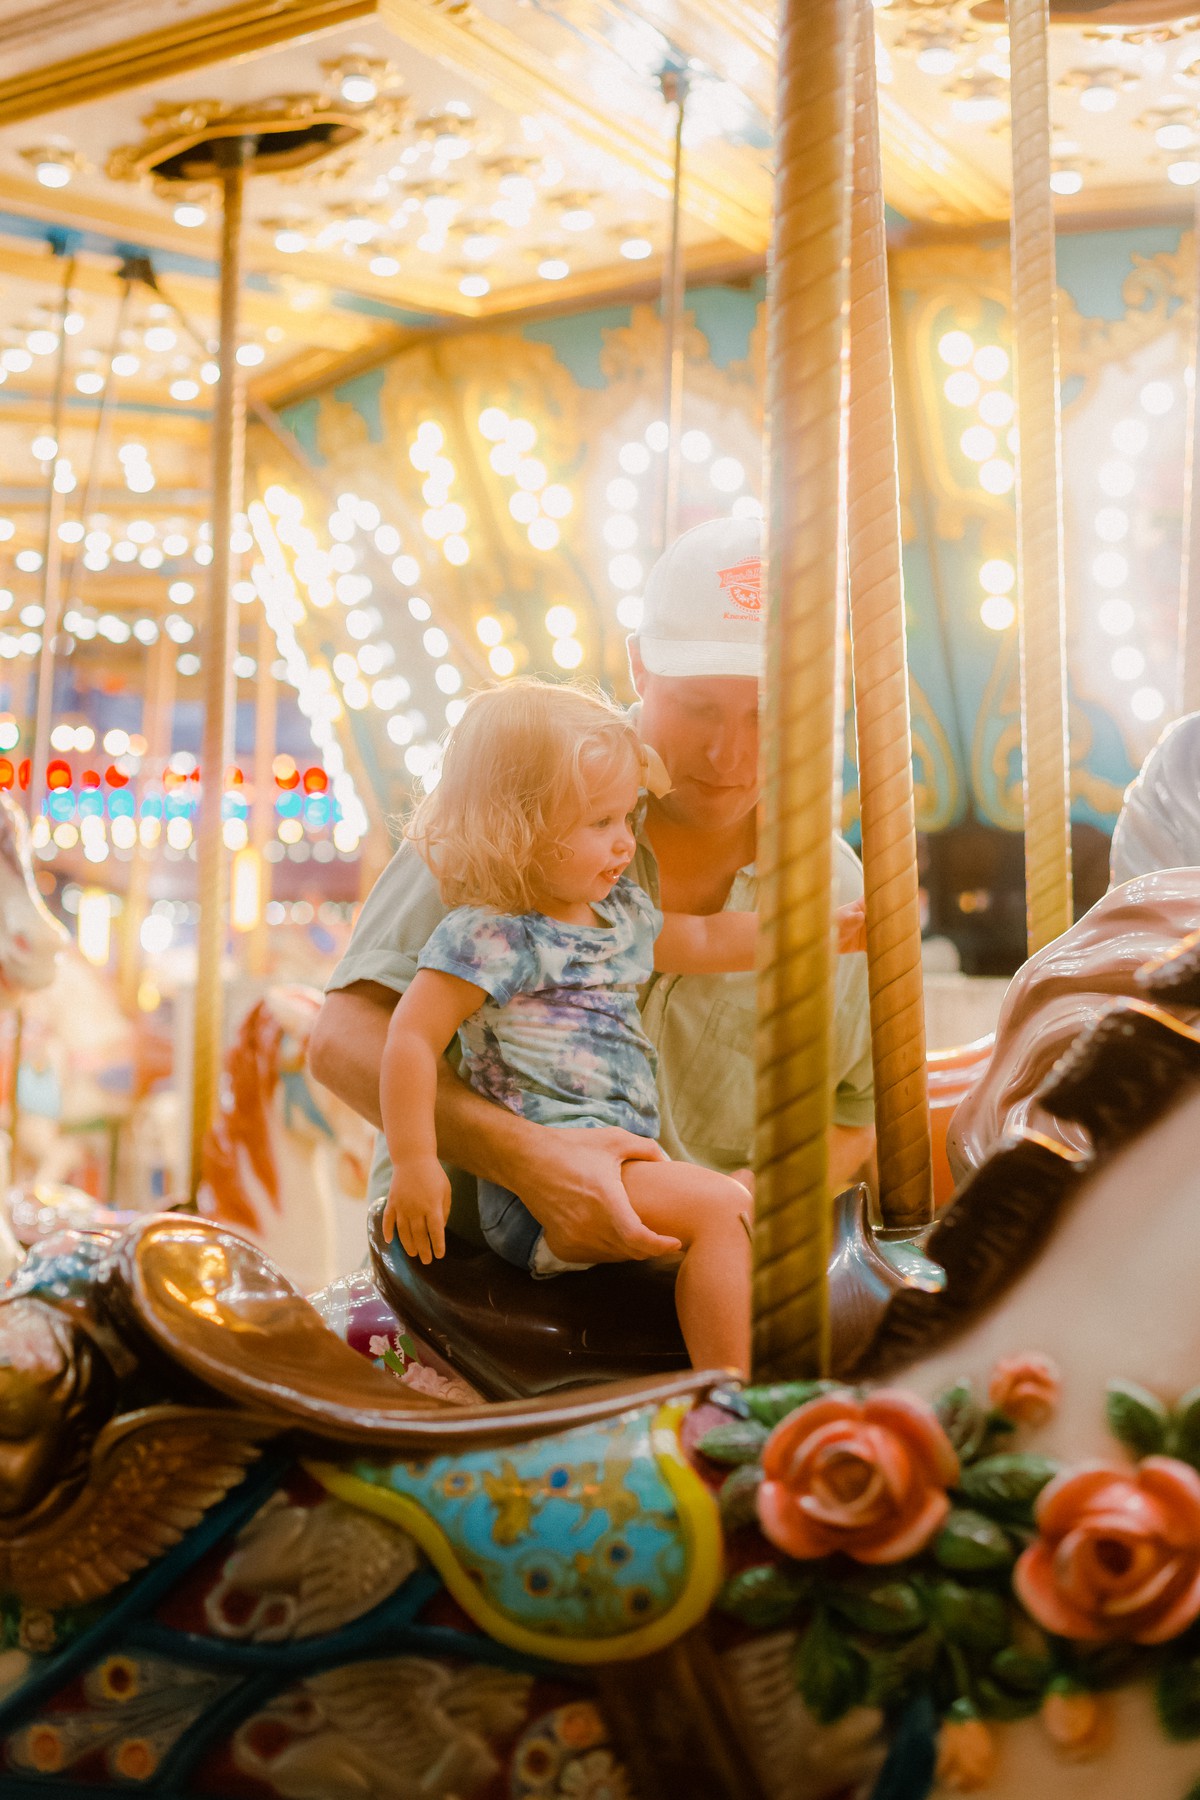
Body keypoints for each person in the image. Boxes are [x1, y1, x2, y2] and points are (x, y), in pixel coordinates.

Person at [309, 514, 875, 1272]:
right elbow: (344, 1038)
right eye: (699, 706)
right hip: (469, 1274)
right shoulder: (514, 801)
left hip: (682, 1281)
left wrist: (744, 1197)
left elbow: (856, 1111)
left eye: (766, 714)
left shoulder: (833, 886)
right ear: (640, 668)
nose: (728, 754)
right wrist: (528, 1160)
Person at [377, 680, 865, 1374]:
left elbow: (701, 940)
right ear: (521, 828)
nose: (624, 841)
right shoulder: (489, 938)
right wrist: (415, 1162)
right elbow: (408, 1039)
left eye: (625, 818)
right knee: (724, 1209)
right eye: (599, 824)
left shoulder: (616, 917)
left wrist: (818, 931)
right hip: (536, 1197)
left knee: (734, 1225)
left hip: (619, 1163)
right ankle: (732, 1398)